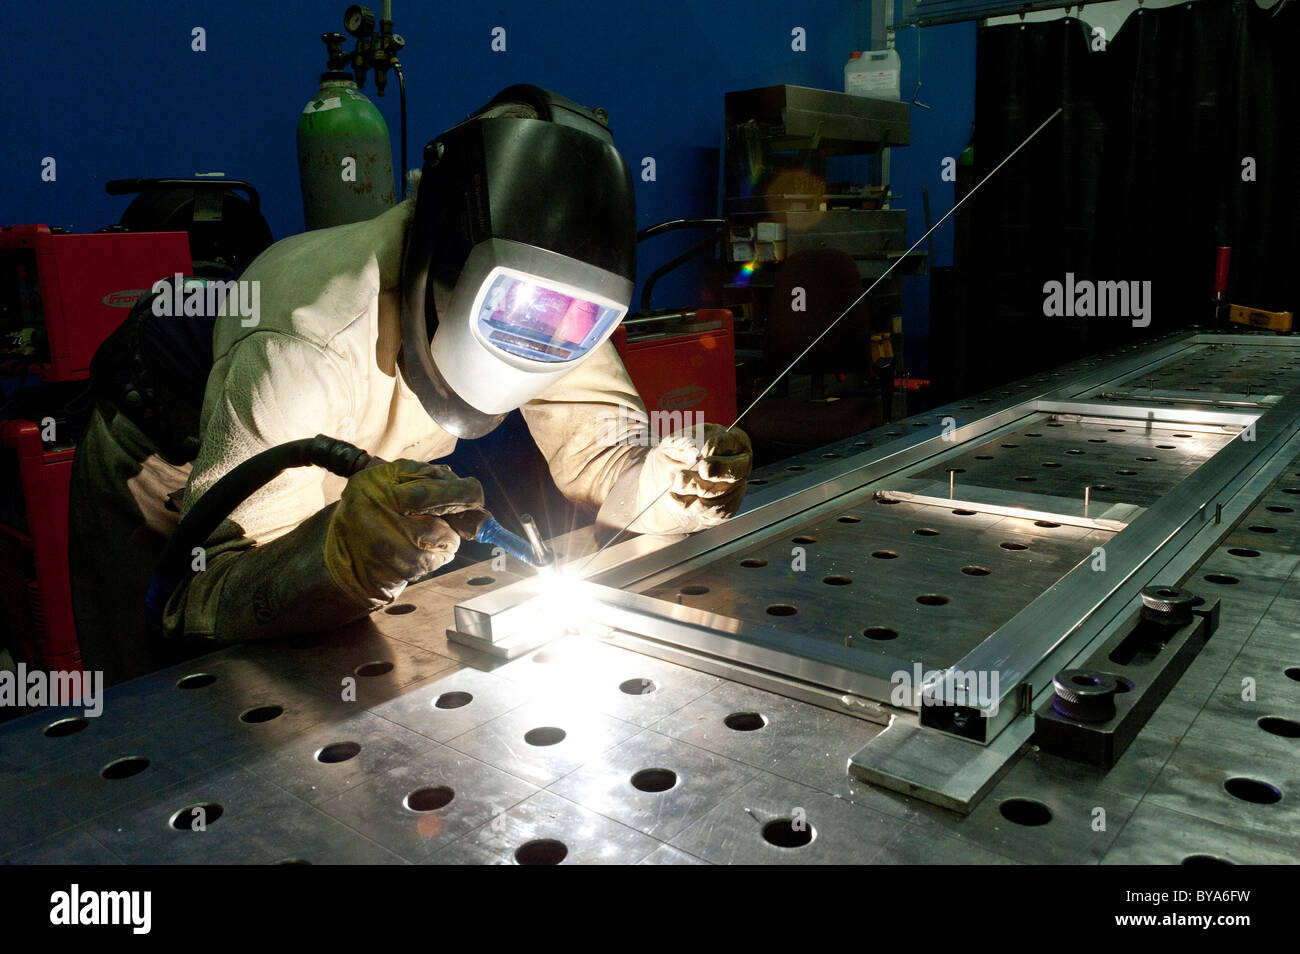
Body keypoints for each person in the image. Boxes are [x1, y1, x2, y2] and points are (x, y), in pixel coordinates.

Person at [69, 85, 751, 685]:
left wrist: (668, 484)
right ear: (446, 262)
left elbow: (603, 460)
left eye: (574, 320)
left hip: (328, 433)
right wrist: (336, 559)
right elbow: (208, 585)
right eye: (513, 310)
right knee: (164, 687)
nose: (541, 336)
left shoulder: (558, 296)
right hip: (165, 440)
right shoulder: (309, 334)